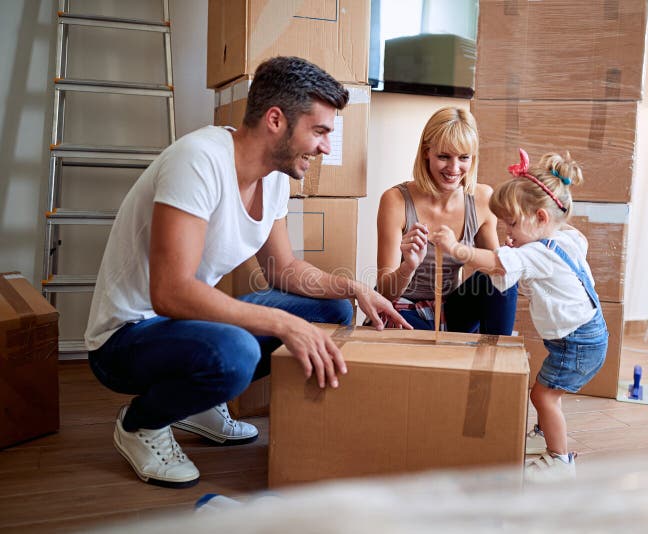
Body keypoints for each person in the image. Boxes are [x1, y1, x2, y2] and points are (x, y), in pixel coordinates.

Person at [84, 56, 411, 489]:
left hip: (185, 326)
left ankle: (200, 402)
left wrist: (353, 288)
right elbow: (170, 292)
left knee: (331, 308)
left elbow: (284, 269)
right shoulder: (198, 161)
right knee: (236, 353)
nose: (326, 148)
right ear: (276, 120)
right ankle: (140, 423)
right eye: (319, 131)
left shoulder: (273, 177)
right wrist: (283, 323)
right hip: (126, 338)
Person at [430, 148, 608, 482]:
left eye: (512, 224)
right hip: (586, 335)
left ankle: (560, 460)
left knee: (543, 395)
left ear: (541, 218)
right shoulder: (565, 238)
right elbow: (570, 241)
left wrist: (456, 248)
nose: (507, 232)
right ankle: (544, 435)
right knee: (547, 390)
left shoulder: (538, 253)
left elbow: (496, 263)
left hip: (577, 343)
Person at [375, 107, 517, 333]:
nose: (454, 168)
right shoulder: (396, 200)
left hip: (452, 311)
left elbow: (494, 271)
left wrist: (512, 255)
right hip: (404, 310)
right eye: (444, 156)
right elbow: (384, 293)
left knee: (503, 276)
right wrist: (408, 266)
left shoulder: (482, 198)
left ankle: (496, 354)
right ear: (426, 152)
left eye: (463, 158)